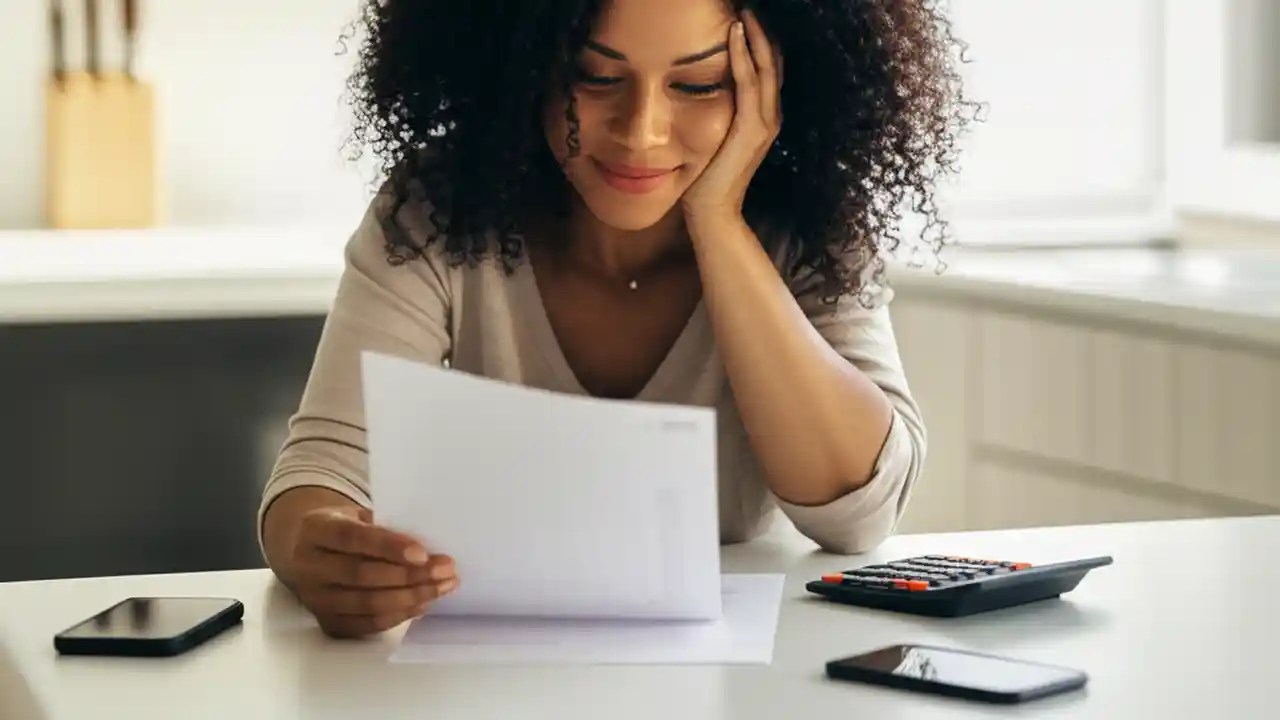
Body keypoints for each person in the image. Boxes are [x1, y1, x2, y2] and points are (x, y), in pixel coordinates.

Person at [258, 0, 977, 638]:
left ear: (773, 83)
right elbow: (323, 473)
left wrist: (719, 222)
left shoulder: (809, 228)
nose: (642, 132)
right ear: (524, 65)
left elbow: (858, 513)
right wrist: (319, 553)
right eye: (596, 77)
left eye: (699, 84)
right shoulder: (440, 208)